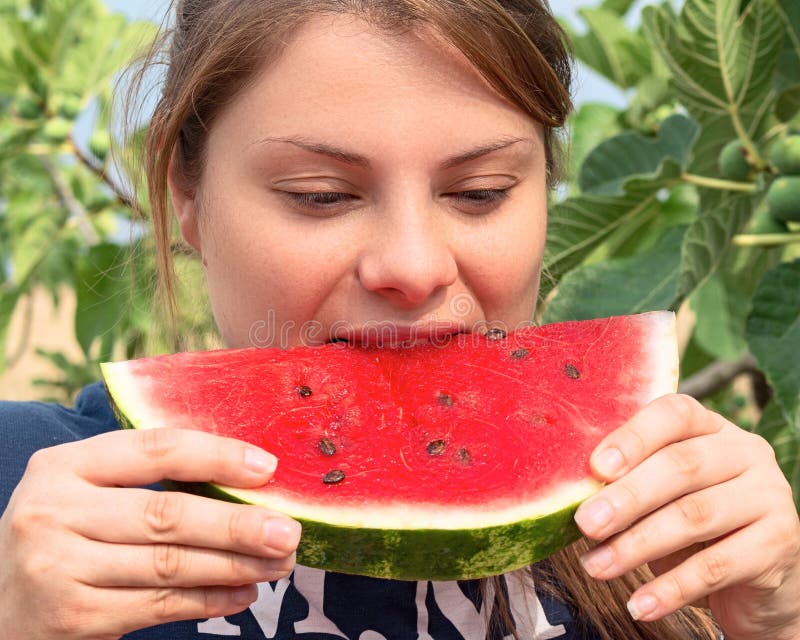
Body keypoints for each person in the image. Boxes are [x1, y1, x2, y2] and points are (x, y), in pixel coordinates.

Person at [1, 0, 799, 638]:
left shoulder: (661, 537)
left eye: (480, 192)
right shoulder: (22, 495)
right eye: (321, 195)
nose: (414, 268)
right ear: (187, 199)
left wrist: (778, 623)